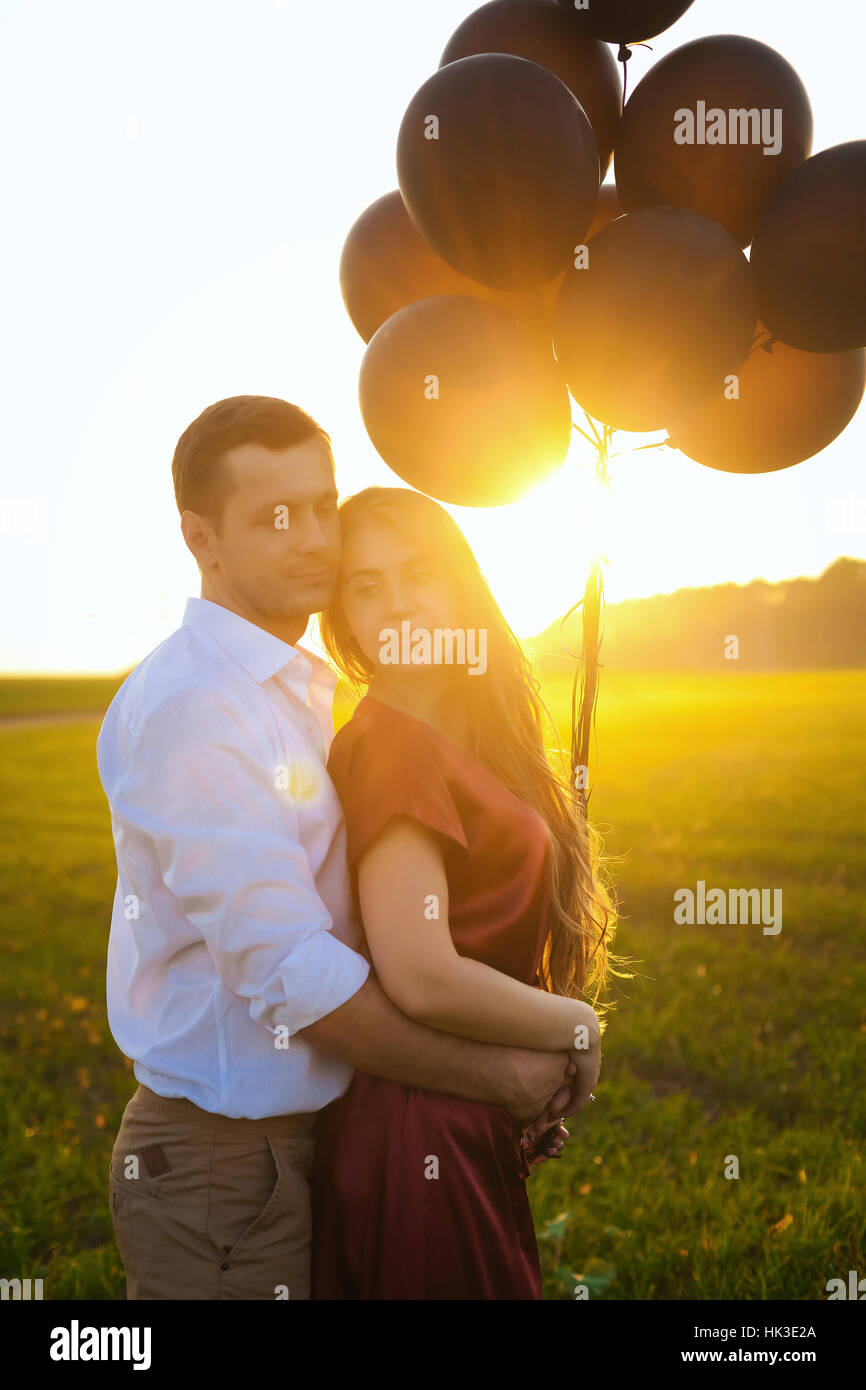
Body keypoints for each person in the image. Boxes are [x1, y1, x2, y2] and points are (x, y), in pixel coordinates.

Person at [96, 395, 594, 1301]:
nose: (314, 537)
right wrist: (510, 1070)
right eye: (275, 517)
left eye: (323, 505)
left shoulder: (293, 696)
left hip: (298, 1143)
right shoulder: (198, 708)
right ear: (200, 539)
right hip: (223, 1162)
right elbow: (296, 974)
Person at [310, 485, 619, 1299]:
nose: (400, 604)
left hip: (457, 1115)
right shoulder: (391, 746)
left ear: (462, 585)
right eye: (366, 586)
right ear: (342, 615)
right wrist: (575, 1026)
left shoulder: (461, 735)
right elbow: (421, 972)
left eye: (418, 573)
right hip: (416, 1132)